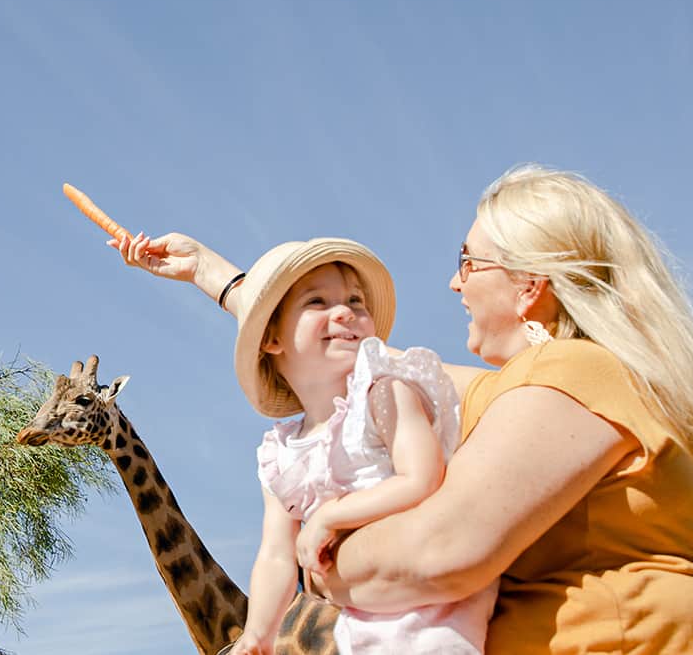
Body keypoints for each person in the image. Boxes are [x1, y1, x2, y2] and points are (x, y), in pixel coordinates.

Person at [112, 164, 693, 652]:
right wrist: (217, 277)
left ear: (529, 285)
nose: (455, 283)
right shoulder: (525, 390)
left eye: (468, 261)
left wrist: (320, 554)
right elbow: (336, 353)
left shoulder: (575, 374)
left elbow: (437, 555)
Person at [200, 238, 494, 654]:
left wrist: (330, 516)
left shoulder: (384, 394)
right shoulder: (280, 454)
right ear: (272, 339)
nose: (345, 312)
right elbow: (276, 554)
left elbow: (423, 478)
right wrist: (258, 635)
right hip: (359, 624)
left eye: (356, 301)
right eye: (317, 302)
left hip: (434, 614)